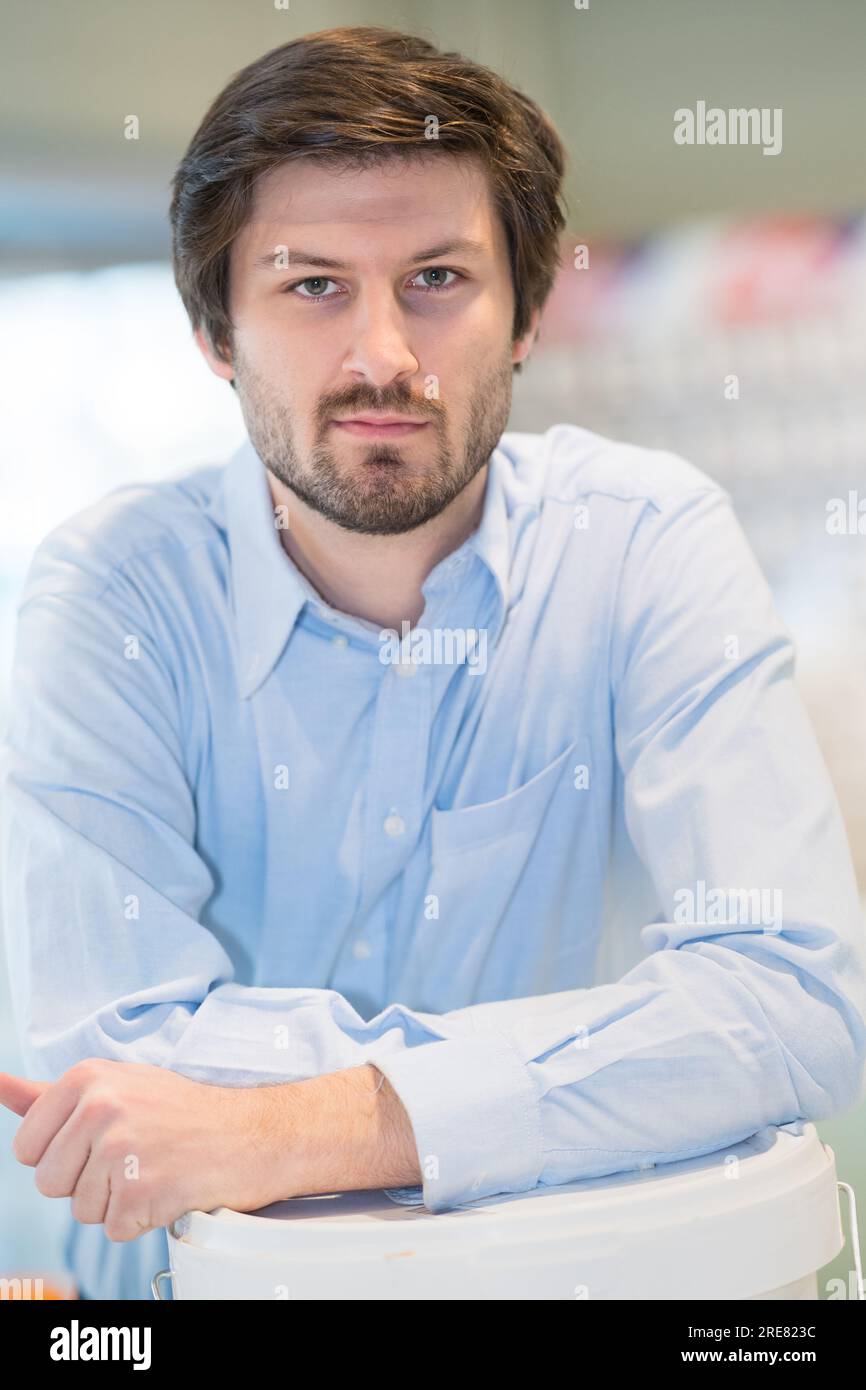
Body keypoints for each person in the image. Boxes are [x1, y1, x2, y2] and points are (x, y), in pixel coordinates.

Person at [2, 24, 865, 1302]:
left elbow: (797, 993)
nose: (381, 361)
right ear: (216, 333)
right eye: (311, 286)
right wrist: (611, 1058)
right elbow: (102, 1057)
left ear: (522, 314)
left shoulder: (641, 542)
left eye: (436, 279)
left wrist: (287, 1125)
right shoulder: (104, 596)